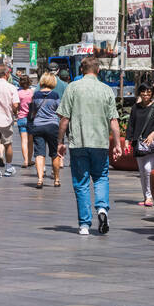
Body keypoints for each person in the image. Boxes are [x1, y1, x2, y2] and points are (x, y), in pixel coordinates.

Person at [57, 56, 122, 235]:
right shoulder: (106, 90)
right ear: (98, 70)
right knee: (101, 177)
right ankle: (102, 209)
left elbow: (64, 119)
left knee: (81, 183)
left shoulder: (72, 88)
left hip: (78, 142)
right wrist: (117, 144)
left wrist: (60, 142)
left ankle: (85, 224)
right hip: (100, 142)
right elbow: (114, 120)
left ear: (82, 70)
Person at [124, 81, 154, 208]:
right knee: (142, 171)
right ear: (139, 92)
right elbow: (131, 125)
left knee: (148, 169)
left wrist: (153, 133)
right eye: (143, 91)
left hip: (151, 143)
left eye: (148, 92)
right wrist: (126, 141)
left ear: (152, 93)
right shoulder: (136, 108)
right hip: (138, 143)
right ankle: (146, 196)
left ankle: (150, 196)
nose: (146, 94)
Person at [28, 72, 63, 189]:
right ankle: (57, 179)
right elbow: (60, 111)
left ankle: (39, 179)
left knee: (39, 154)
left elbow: (32, 111)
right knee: (54, 153)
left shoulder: (36, 95)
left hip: (38, 126)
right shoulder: (55, 95)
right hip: (52, 126)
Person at [16, 74, 35, 167]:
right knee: (30, 141)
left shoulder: (18, 93)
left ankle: (25, 161)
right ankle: (30, 160)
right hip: (31, 119)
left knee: (24, 141)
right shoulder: (32, 92)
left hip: (21, 118)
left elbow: (16, 106)